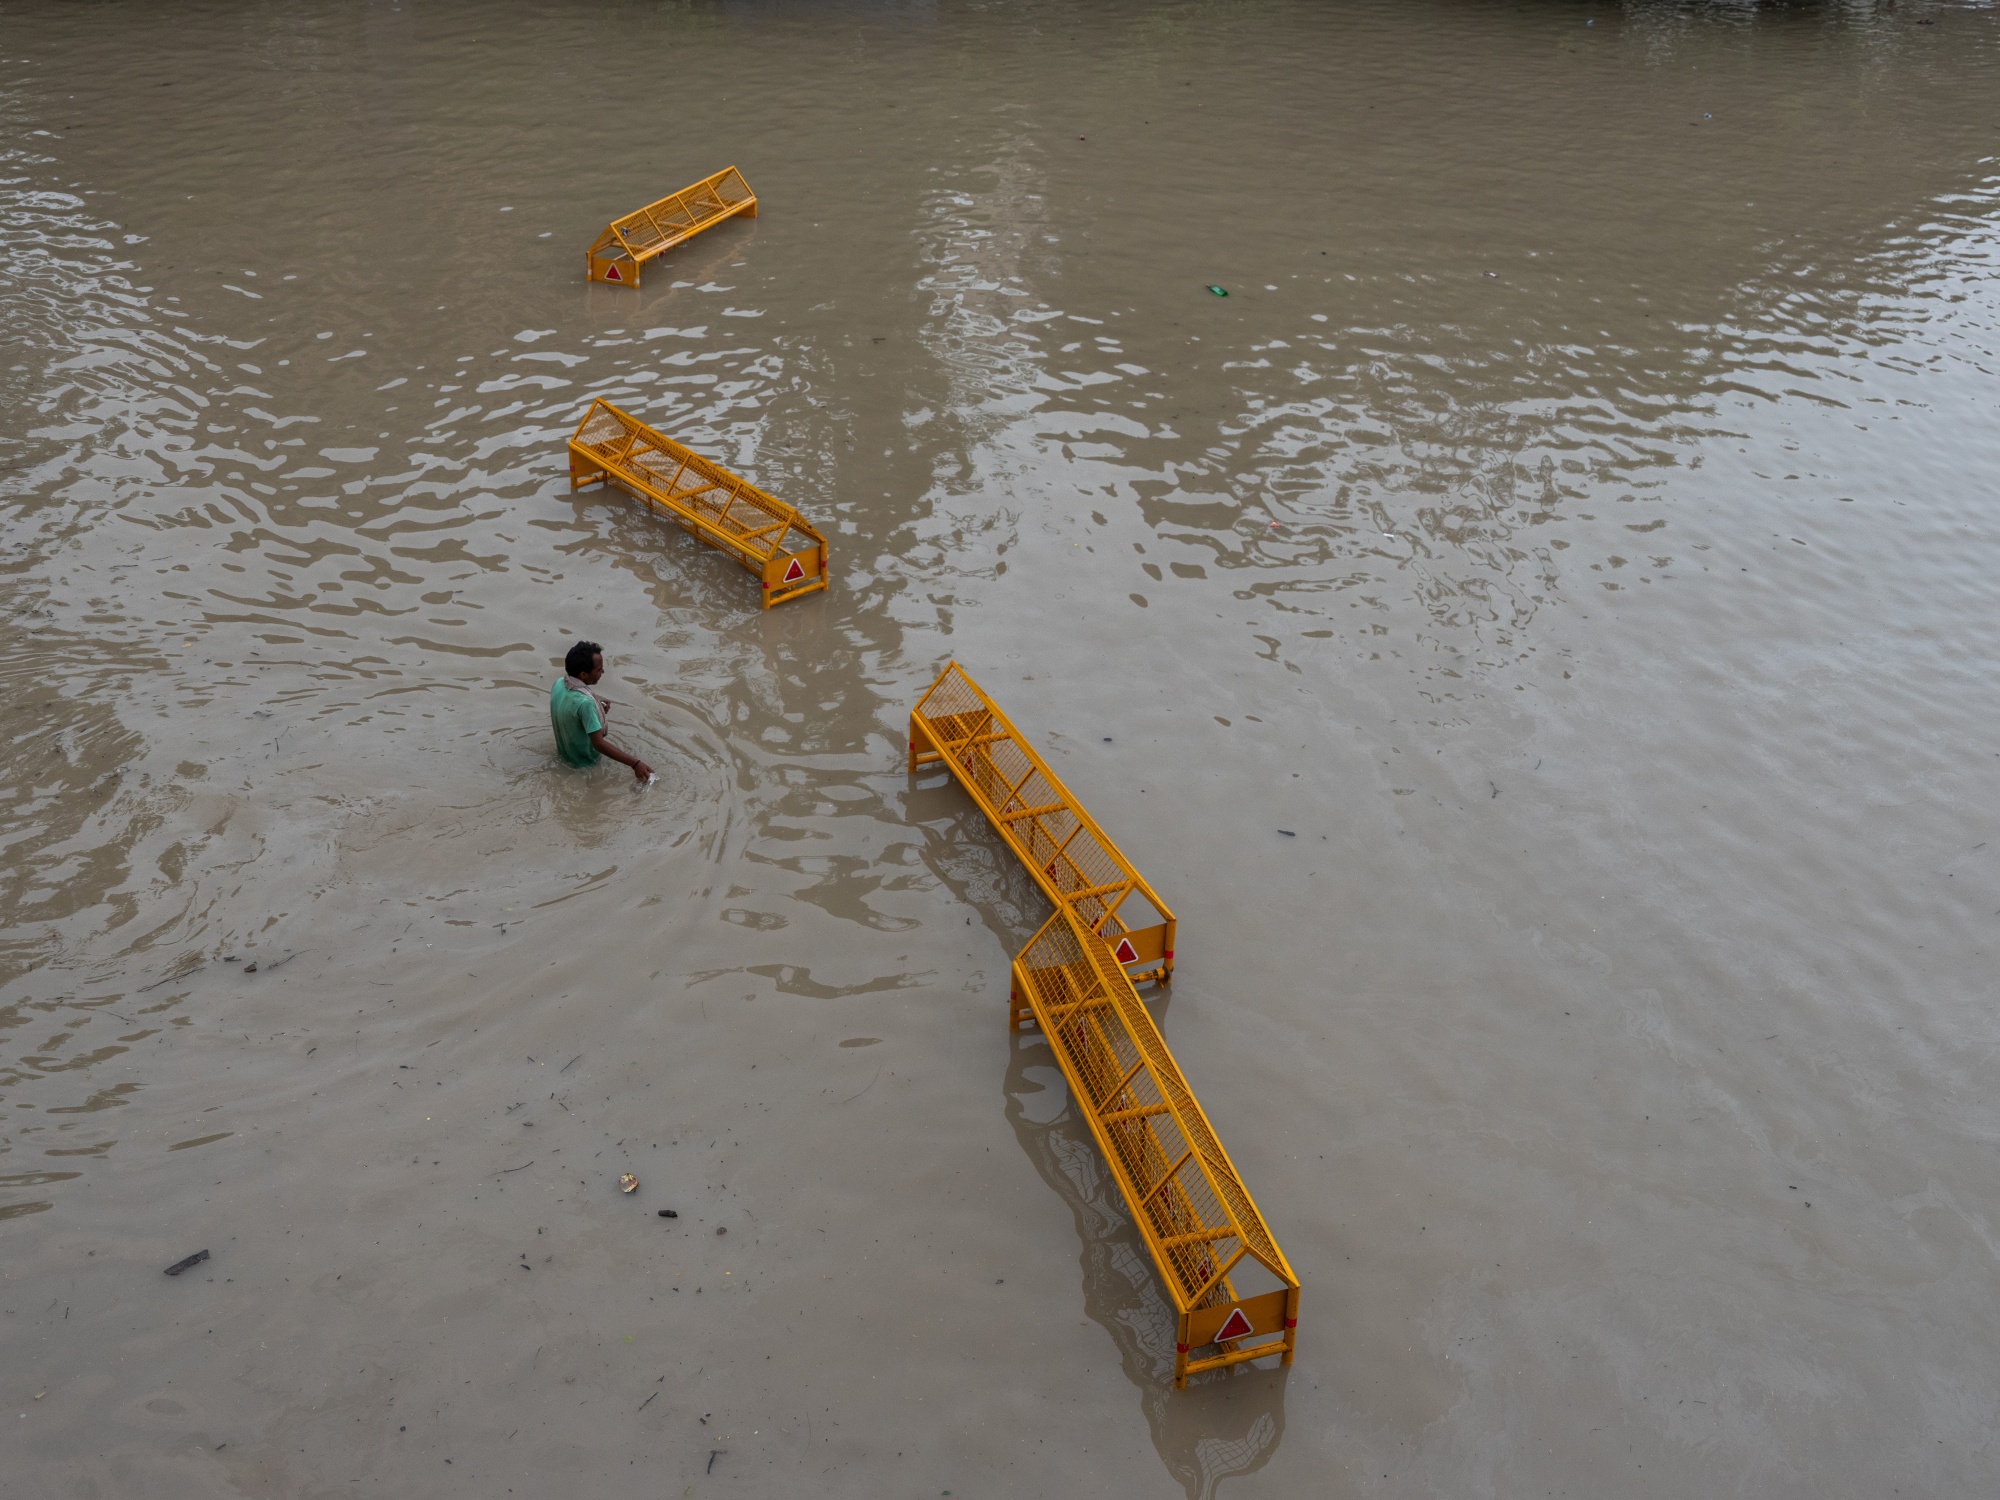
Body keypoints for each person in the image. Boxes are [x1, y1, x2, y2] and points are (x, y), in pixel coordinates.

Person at [550, 640, 652, 783]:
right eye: (599, 669)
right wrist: (635, 763)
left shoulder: (559, 683)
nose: (602, 672)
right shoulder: (585, 704)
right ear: (584, 674)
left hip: (564, 757)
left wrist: (597, 709)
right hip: (585, 766)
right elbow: (598, 744)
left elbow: (571, 713)